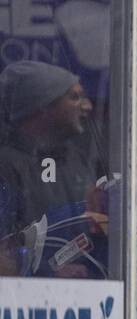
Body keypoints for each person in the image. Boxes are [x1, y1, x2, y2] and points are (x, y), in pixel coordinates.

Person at [0, 60, 102, 277]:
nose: (87, 106)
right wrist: (46, 274)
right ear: (42, 106)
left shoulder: (76, 161)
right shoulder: (6, 166)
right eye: (74, 97)